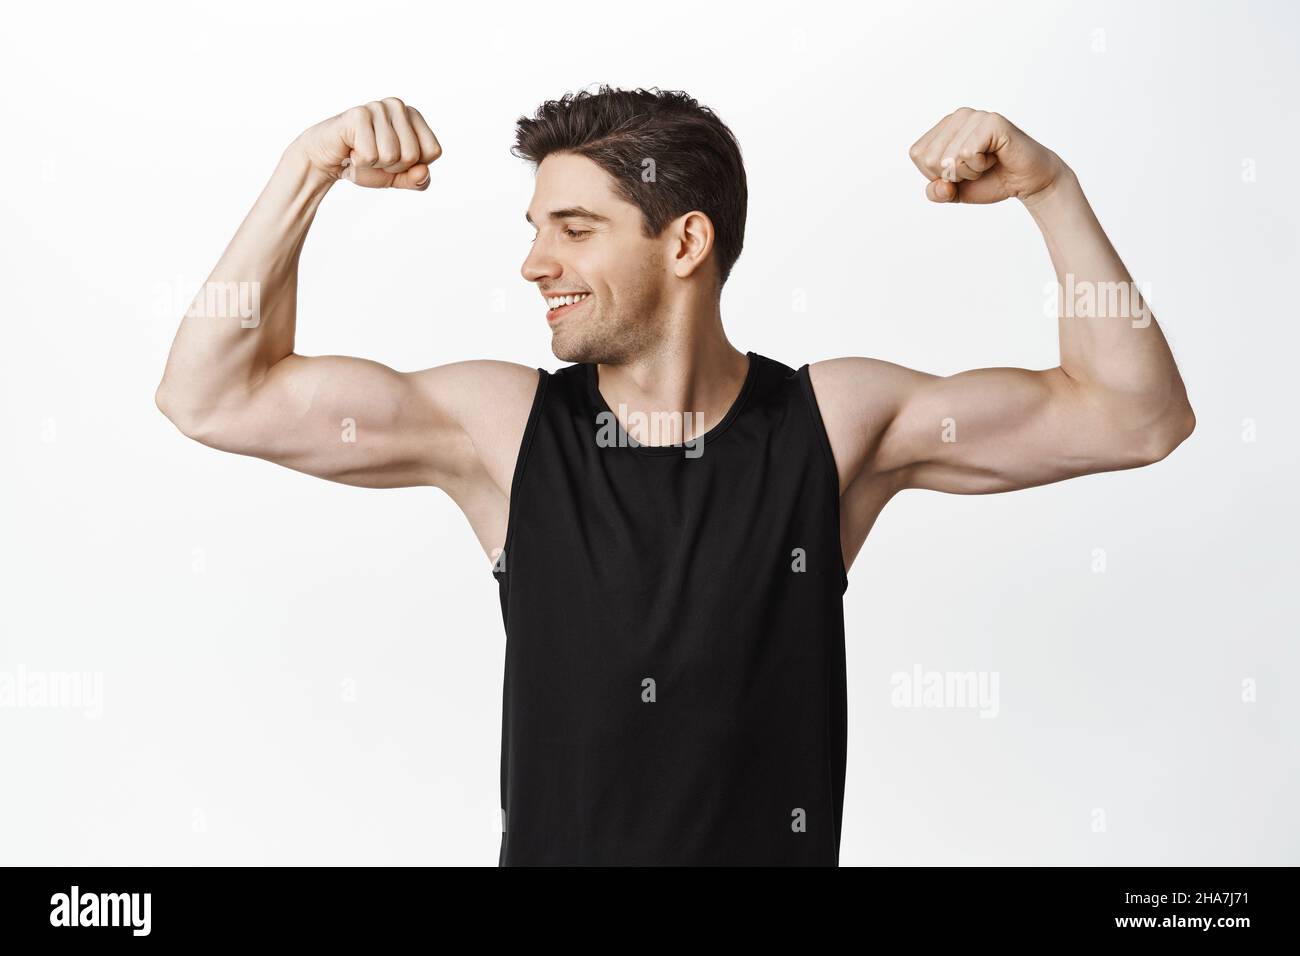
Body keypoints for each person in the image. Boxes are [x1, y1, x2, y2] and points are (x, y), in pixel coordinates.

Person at [156, 87, 1194, 866]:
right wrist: (306, 168)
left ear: (685, 239)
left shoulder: (832, 423)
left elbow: (1134, 417)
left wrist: (1049, 192)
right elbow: (212, 394)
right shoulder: (502, 428)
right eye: (535, 231)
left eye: (573, 229)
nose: (533, 264)